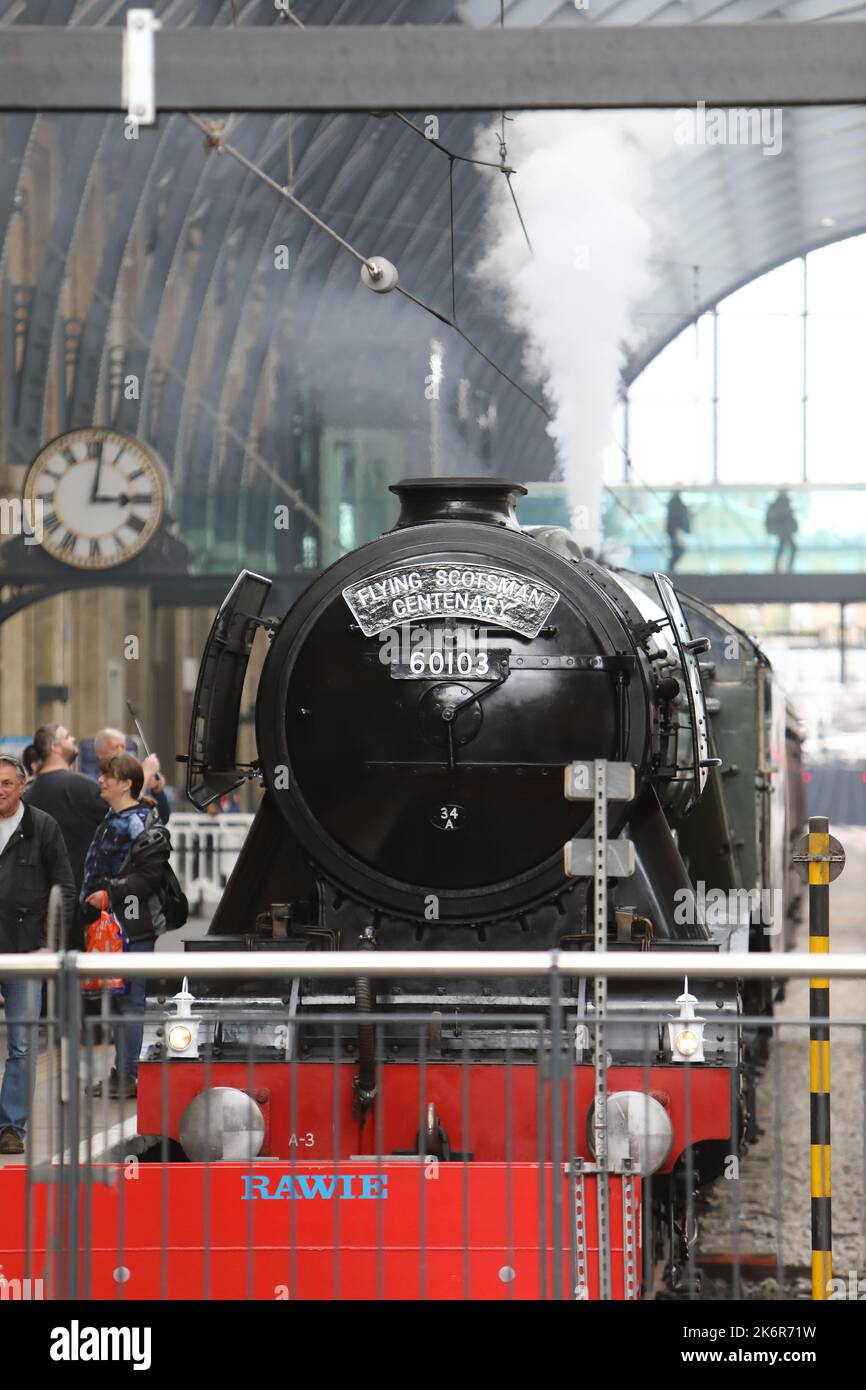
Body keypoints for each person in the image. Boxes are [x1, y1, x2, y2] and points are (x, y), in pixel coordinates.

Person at [80, 753, 170, 1100]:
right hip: (119, 925)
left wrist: (108, 894)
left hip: (130, 926)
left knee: (130, 1002)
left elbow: (147, 878)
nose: (101, 780)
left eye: (108, 776)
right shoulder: (121, 816)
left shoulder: (134, 824)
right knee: (121, 1002)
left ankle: (128, 1075)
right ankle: (123, 1072)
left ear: (126, 784)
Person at [0, 753, 75, 1154]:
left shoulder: (42, 827)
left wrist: (51, 942)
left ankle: (11, 1128)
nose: (0, 790)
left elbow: (64, 888)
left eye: (7, 783)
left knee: (23, 1044)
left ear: (22, 785)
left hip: (26, 949)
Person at [23, 725, 107, 943]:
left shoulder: (27, 796)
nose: (74, 739)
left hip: (38, 905)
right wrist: (143, 775)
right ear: (55, 747)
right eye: (68, 737)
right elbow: (128, 810)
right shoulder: (83, 787)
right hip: (82, 905)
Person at [93, 728, 171, 825]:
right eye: (115, 748)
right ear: (100, 753)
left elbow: (163, 818)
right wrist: (144, 776)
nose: (121, 752)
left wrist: (157, 791)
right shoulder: (94, 782)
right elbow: (125, 811)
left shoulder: (129, 777)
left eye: (123, 747)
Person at [765, 488, 798, 573]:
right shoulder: (778, 505)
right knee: (785, 547)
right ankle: (778, 567)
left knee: (789, 547)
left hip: (786, 530)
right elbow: (772, 519)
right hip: (783, 531)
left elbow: (791, 520)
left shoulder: (785, 504)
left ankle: (783, 568)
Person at [665, 489, 691, 572]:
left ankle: (671, 567)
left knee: (677, 549)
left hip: (676, 530)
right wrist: (677, 527)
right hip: (676, 530)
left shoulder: (675, 502)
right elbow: (676, 515)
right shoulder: (675, 502)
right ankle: (671, 567)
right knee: (678, 549)